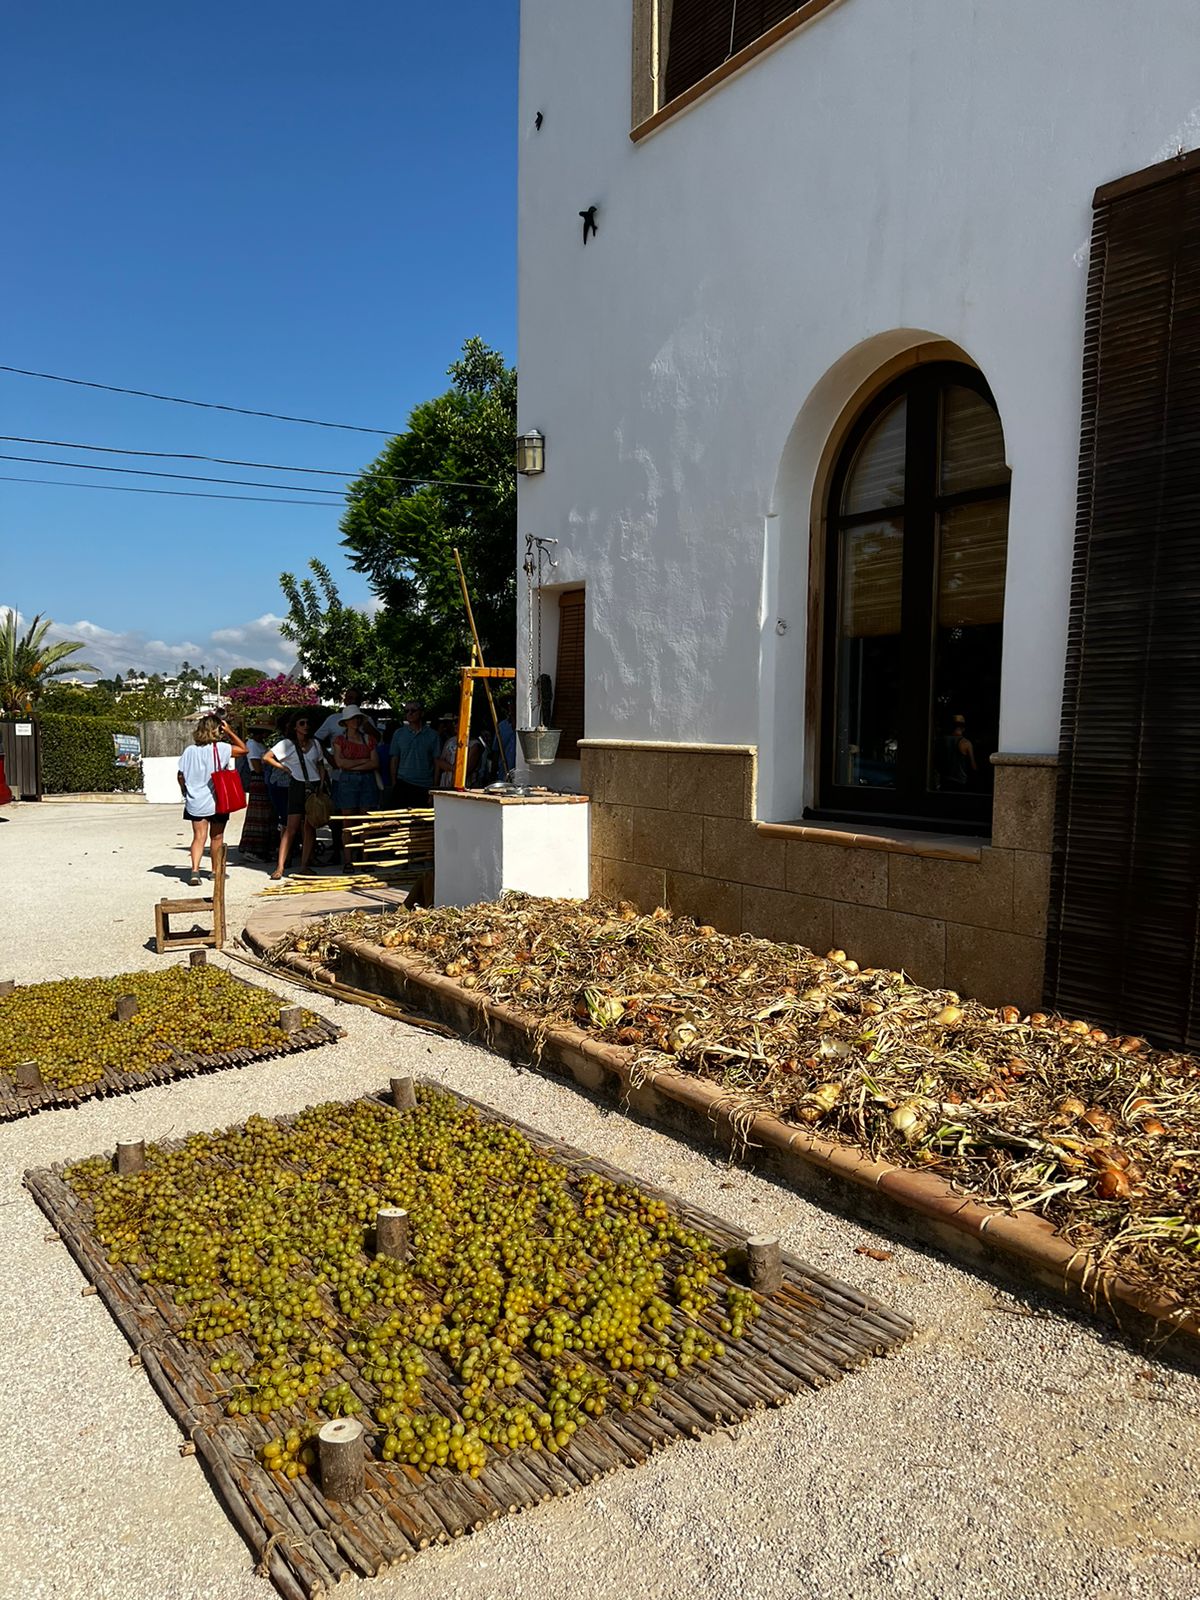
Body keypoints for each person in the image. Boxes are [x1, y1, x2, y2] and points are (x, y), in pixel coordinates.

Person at [176, 714, 247, 886]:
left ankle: (194, 871)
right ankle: (216, 871)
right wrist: (230, 732)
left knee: (198, 837)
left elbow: (180, 775)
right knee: (217, 837)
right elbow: (243, 750)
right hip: (218, 801)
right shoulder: (221, 748)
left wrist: (185, 791)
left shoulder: (189, 751)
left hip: (195, 801)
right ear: (218, 730)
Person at [263, 711, 330, 880]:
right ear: (295, 727)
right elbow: (267, 757)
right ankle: (280, 867)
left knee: (310, 826)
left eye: (308, 723)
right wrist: (284, 768)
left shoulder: (315, 743)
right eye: (302, 723)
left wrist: (322, 783)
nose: (306, 726)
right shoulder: (287, 744)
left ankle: (304, 865)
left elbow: (320, 765)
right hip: (297, 784)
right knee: (290, 827)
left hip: (314, 784)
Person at [237, 719, 279, 862]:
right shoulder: (252, 745)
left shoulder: (260, 745)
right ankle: (252, 849)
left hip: (264, 781)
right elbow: (257, 767)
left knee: (267, 816)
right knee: (258, 816)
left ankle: (265, 848)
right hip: (258, 780)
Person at [389, 700, 440, 806]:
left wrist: (434, 789)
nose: (410, 713)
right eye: (406, 711)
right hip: (403, 783)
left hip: (425, 785)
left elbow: (437, 763)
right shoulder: (398, 734)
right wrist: (394, 783)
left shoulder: (433, 735)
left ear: (422, 713)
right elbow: (394, 759)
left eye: (413, 710)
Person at [331, 707, 381, 813]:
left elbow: (375, 763)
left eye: (358, 718)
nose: (356, 721)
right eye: (352, 718)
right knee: (348, 816)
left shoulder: (369, 739)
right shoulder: (339, 740)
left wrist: (350, 765)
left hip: (367, 779)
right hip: (348, 780)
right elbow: (340, 763)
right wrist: (365, 760)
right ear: (346, 722)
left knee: (366, 816)